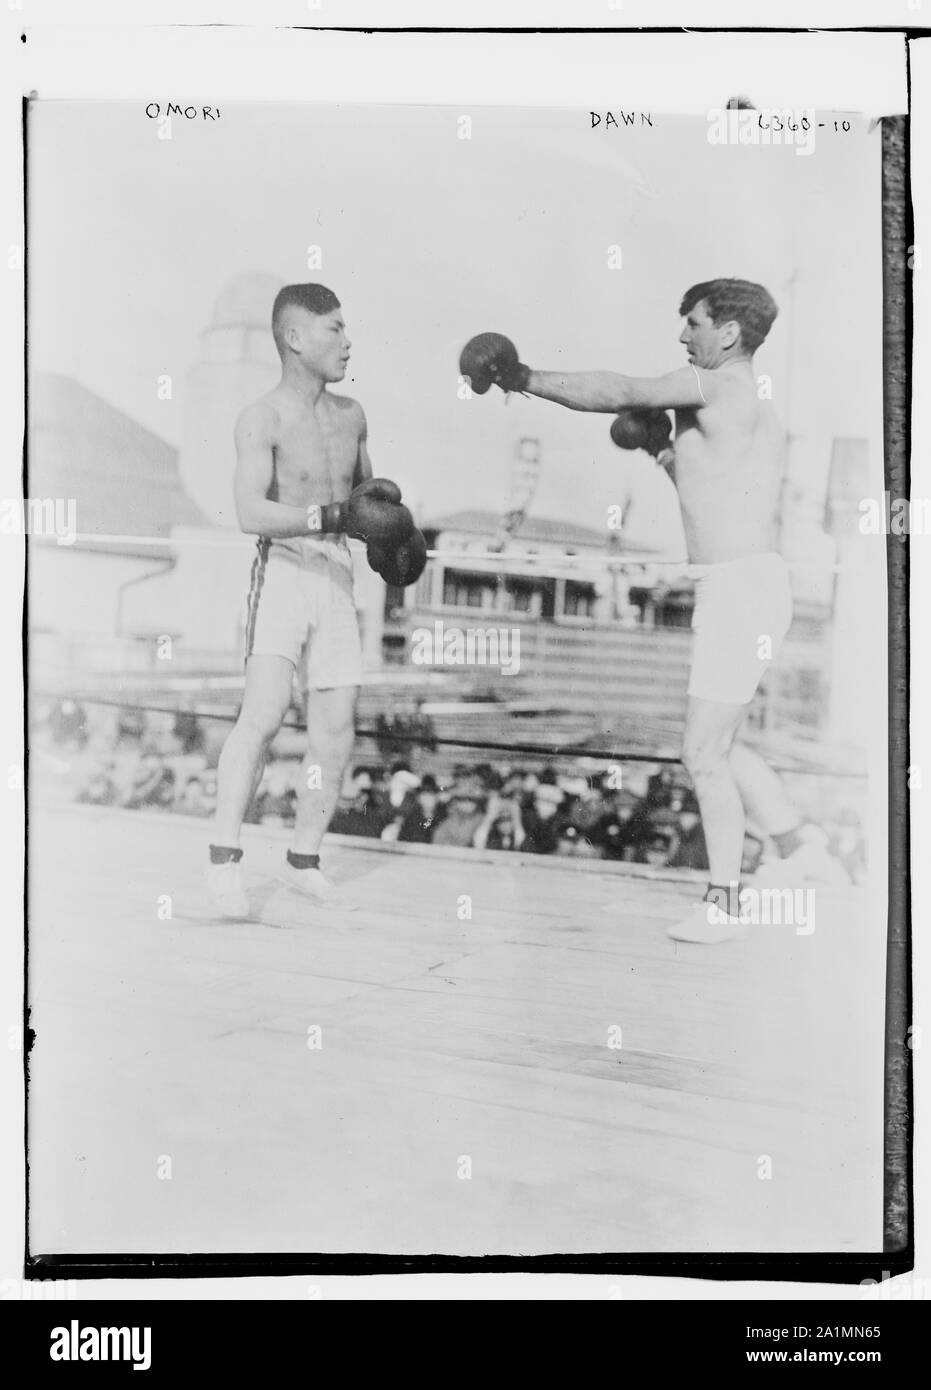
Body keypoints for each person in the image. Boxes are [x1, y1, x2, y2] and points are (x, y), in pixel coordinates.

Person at [461, 279, 845, 943]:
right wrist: (659, 451)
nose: (682, 335)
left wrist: (522, 377)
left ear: (728, 333)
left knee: (700, 751)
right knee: (723, 744)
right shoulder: (746, 407)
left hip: (739, 590)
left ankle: (724, 902)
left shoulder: (719, 386)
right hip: (740, 586)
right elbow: (708, 494)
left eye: (692, 323)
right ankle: (800, 846)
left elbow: (618, 390)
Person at [206, 282, 416, 917]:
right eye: (334, 329)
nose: (348, 342)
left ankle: (303, 859)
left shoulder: (352, 416)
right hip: (285, 570)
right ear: (295, 338)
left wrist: (394, 542)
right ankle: (223, 863)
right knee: (264, 715)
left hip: (337, 576)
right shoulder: (261, 418)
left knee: (334, 732)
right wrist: (329, 514)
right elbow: (248, 511)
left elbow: (366, 502)